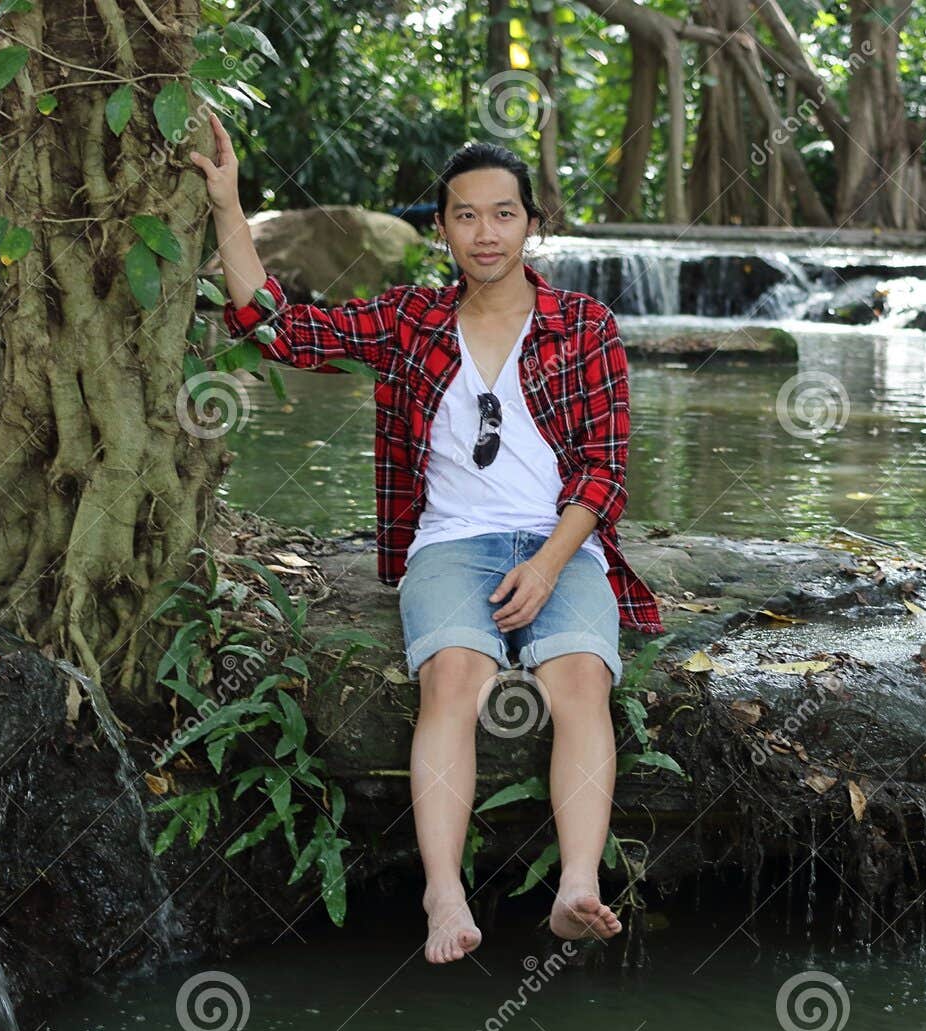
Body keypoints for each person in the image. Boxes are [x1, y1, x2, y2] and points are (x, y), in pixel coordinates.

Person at [191, 112, 664, 964]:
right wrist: (228, 205)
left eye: (504, 213)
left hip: (564, 543)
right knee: (453, 677)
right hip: (450, 544)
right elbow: (280, 329)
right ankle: (444, 894)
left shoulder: (584, 324)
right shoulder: (410, 319)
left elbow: (604, 470)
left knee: (580, 682)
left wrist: (551, 564)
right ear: (441, 228)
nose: (486, 233)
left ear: (532, 223)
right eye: (467, 215)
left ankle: (577, 887)